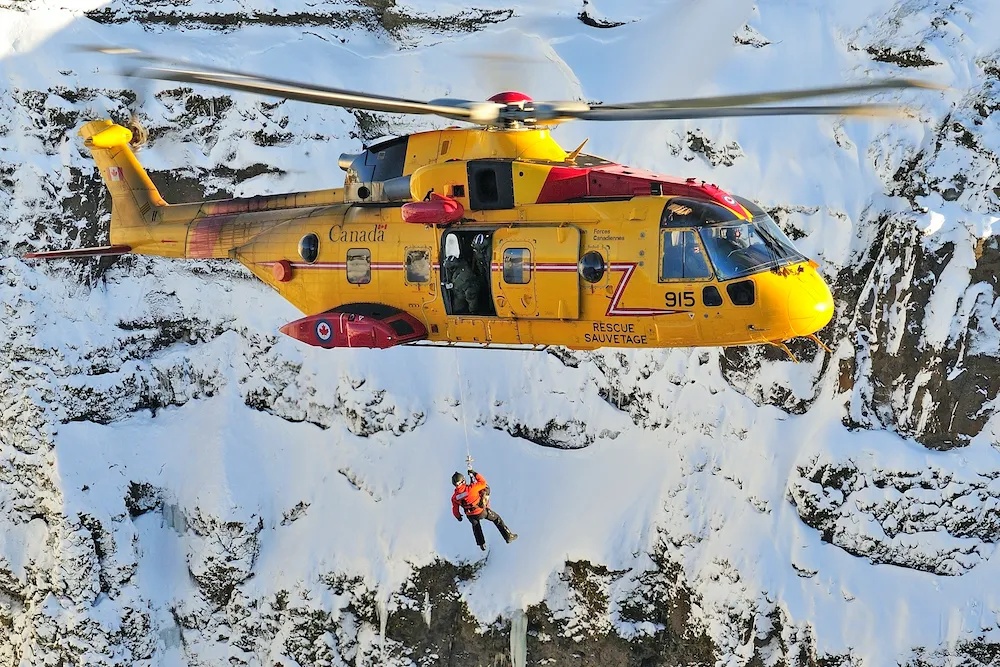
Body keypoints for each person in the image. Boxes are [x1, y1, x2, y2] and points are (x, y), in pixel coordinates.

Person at [451, 469, 517, 550]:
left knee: (476, 526)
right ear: (463, 481)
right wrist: (474, 473)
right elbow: (483, 483)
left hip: (470, 515)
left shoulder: (454, 497)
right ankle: (508, 536)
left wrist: (459, 517)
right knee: (496, 519)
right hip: (481, 511)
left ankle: (481, 544)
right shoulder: (472, 488)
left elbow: (455, 510)